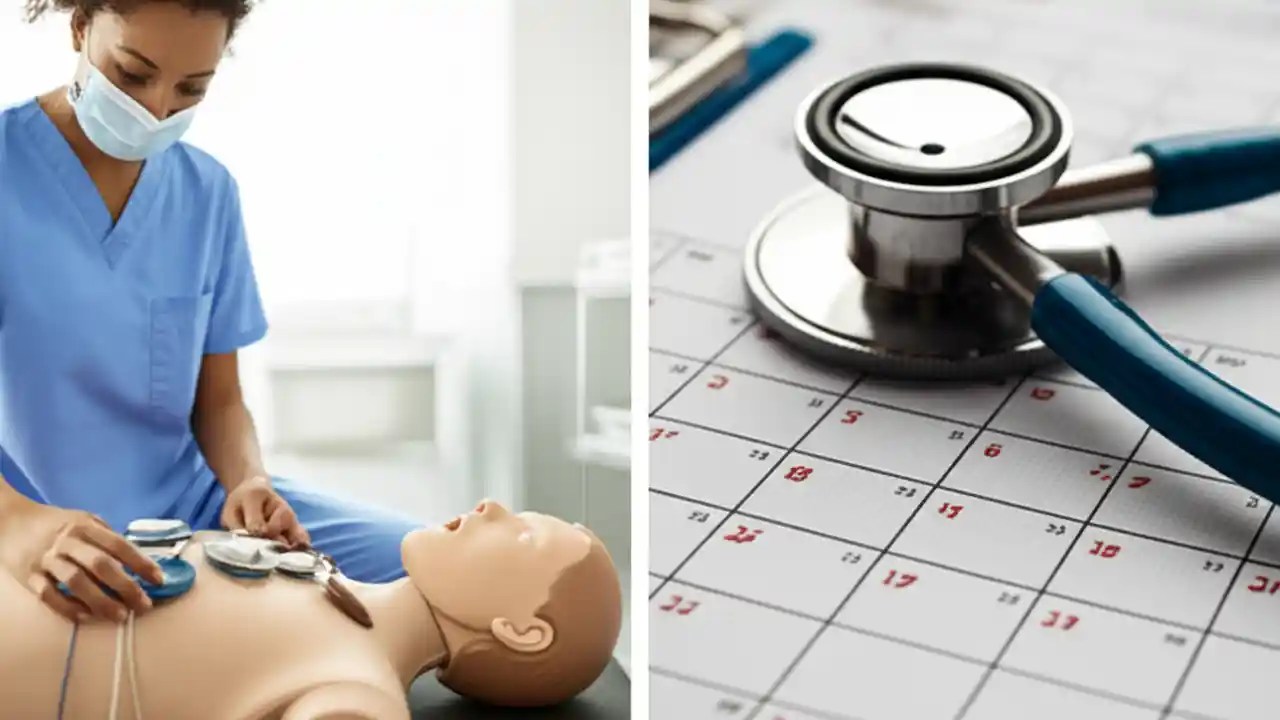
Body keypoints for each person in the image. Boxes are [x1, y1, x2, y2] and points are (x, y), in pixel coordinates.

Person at [0, 0, 422, 628]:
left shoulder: (207, 192)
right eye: (132, 74)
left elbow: (219, 401)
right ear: (80, 28)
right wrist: (19, 528)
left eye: (190, 87)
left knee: (435, 570)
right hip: (36, 522)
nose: (156, 108)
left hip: (194, 509)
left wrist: (248, 483)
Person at [0, 500, 625, 718]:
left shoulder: (357, 685)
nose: (491, 506)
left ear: (519, 632)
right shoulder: (325, 578)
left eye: (522, 535)